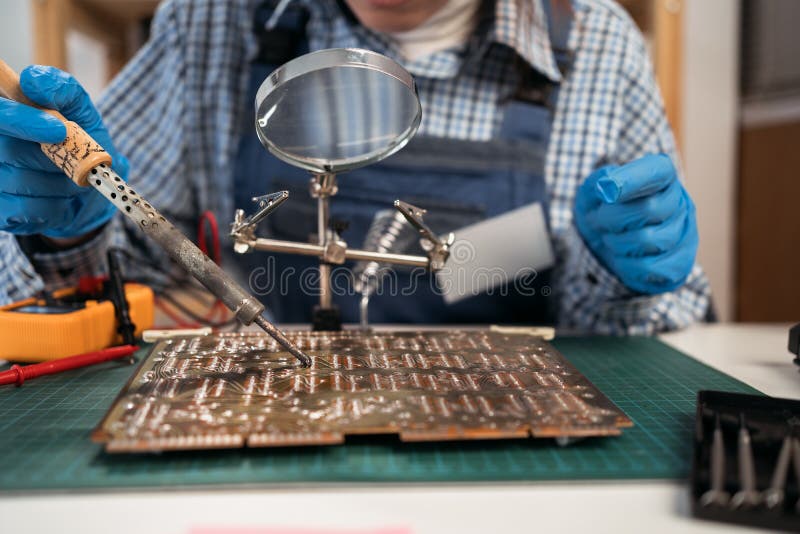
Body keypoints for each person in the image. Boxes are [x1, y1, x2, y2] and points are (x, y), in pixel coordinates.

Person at [0, 0, 709, 334]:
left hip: (494, 452)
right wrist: (67, 236)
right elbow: (117, 279)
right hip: (271, 428)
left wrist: (619, 277)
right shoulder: (214, 21)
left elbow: (667, 313)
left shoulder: (597, 45)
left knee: (517, 249)